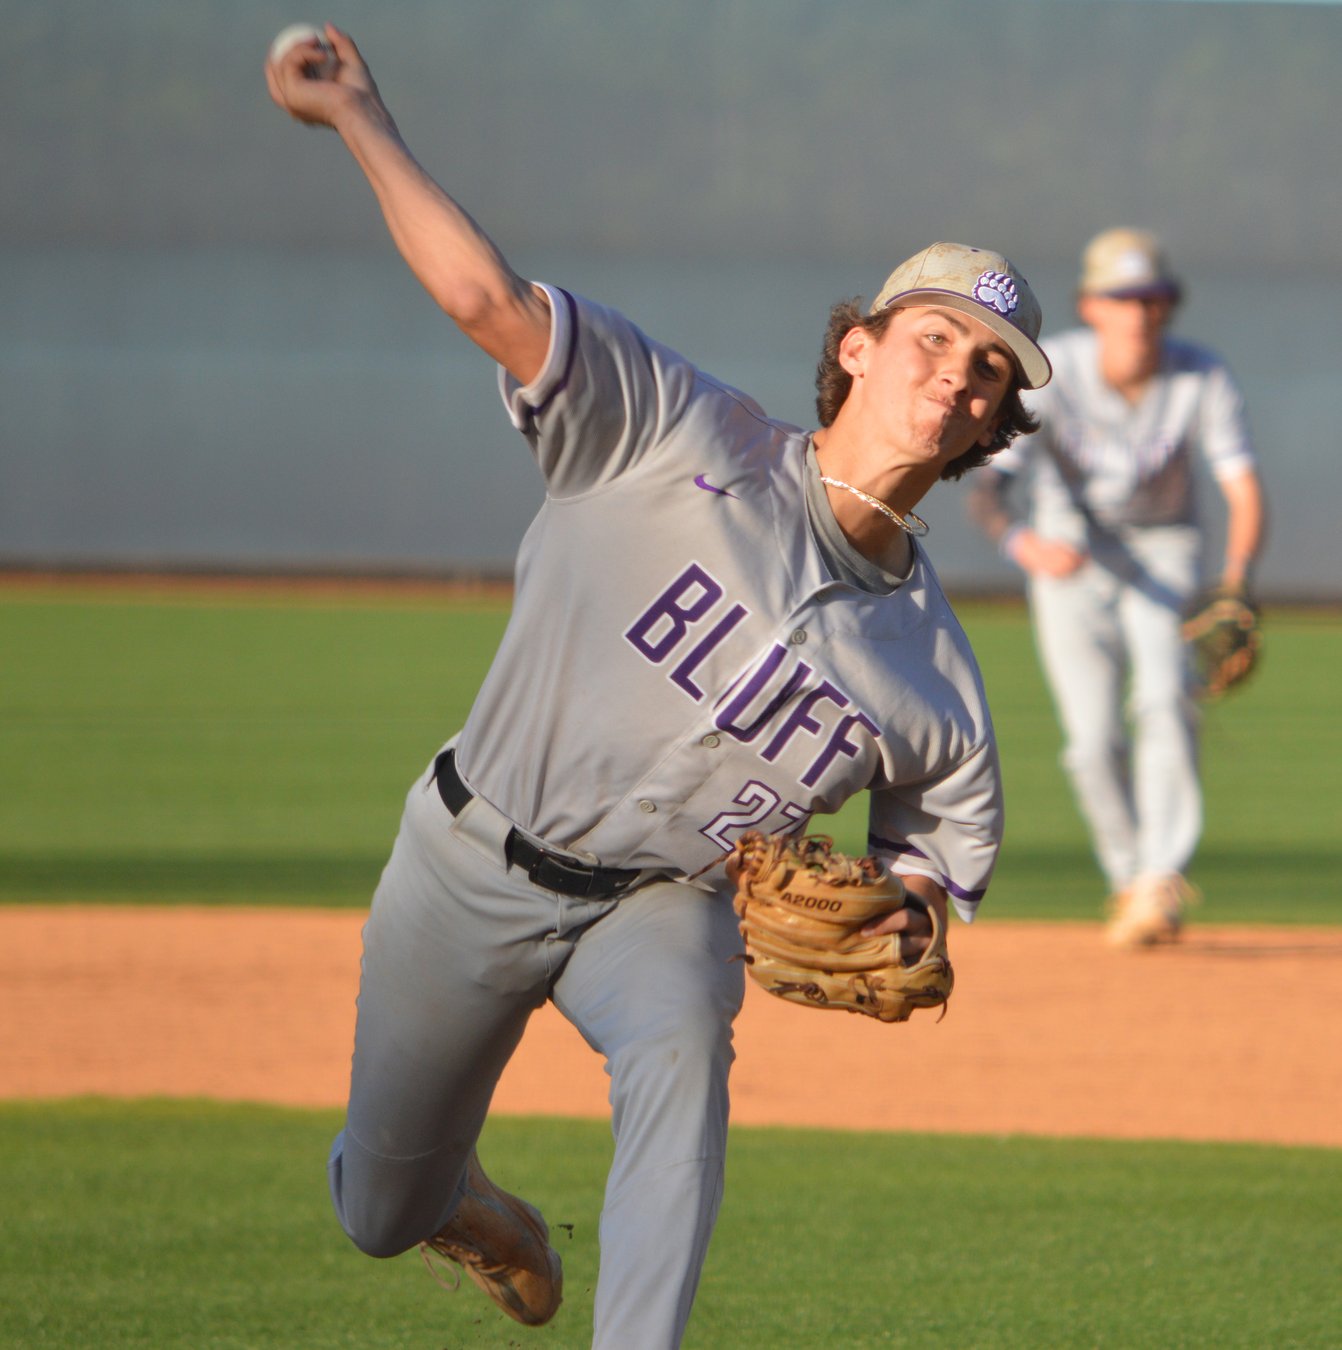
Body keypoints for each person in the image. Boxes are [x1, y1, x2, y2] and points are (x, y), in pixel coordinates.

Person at [266, 26, 1050, 1348]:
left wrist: (900, 925)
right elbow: (484, 302)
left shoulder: (936, 681)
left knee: (684, 1049)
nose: (957, 374)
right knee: (374, 1203)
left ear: (990, 426)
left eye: (987, 371)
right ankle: (466, 1207)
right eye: (934, 337)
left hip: (660, 906)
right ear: (855, 347)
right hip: (468, 856)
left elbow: (926, 878)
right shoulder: (675, 428)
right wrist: (359, 116)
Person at [966, 227, 1266, 948]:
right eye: (1123, 298)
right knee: (1091, 740)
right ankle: (1128, 876)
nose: (1140, 313)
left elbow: (1244, 491)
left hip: (1165, 553)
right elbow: (988, 488)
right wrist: (1022, 542)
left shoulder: (1200, 376)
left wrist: (1235, 586)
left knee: (1166, 702)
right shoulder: (1054, 371)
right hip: (1069, 556)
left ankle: (1162, 878)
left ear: (1169, 307)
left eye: (1153, 298)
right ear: (1090, 306)